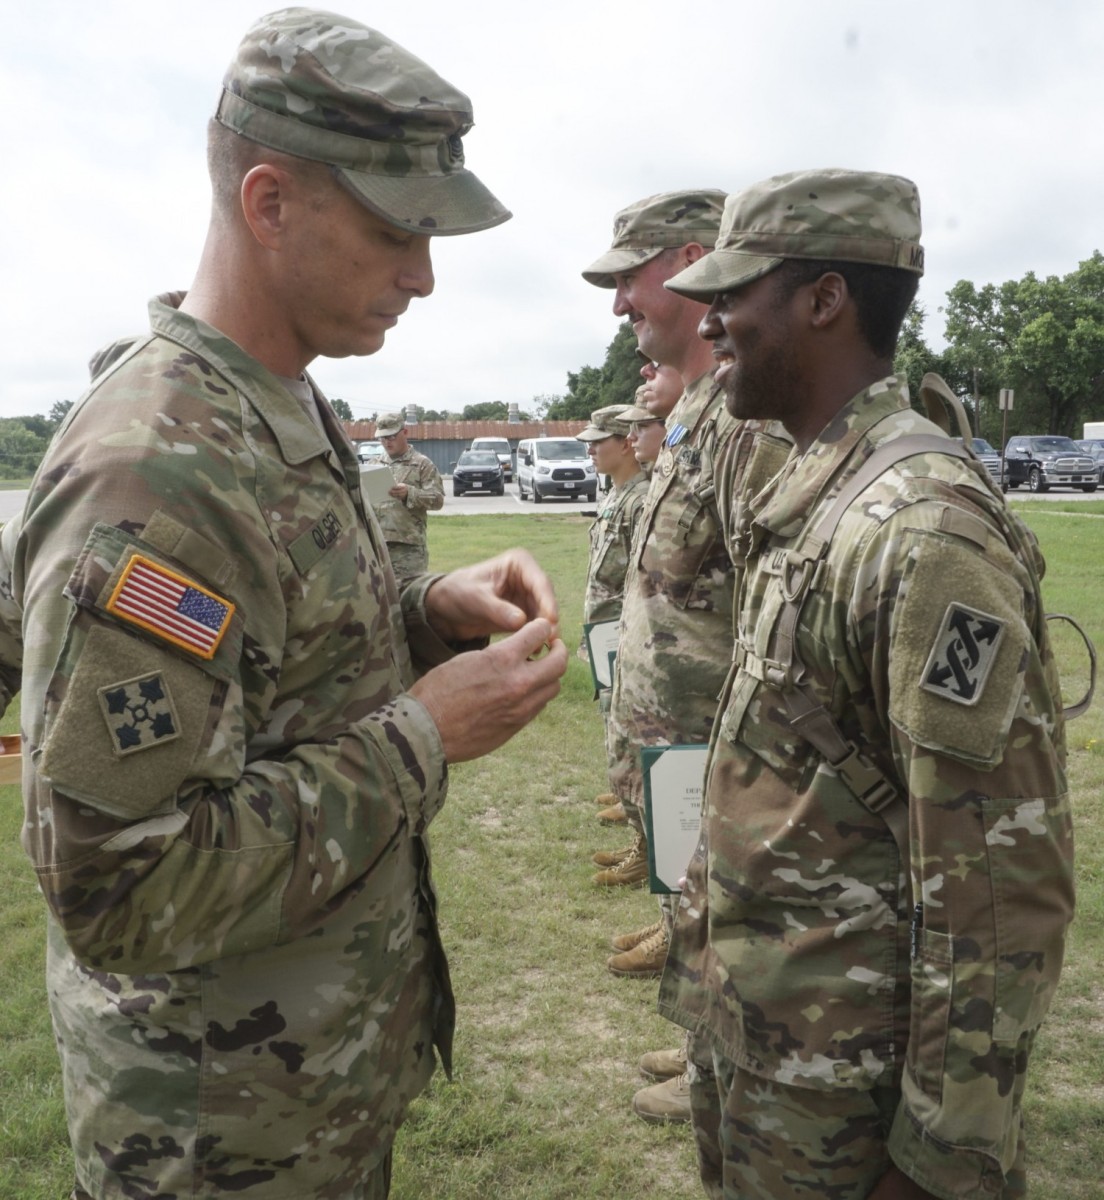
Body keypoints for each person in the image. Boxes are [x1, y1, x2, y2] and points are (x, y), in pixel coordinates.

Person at [12, 10, 567, 1199]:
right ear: (268, 205)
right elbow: (123, 884)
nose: (423, 274)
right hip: (214, 1136)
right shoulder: (155, 466)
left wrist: (426, 609)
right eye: (393, 231)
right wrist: (425, 733)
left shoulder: (279, 401)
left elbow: (270, 663)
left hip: (306, 1096)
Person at [658, 168, 1073, 1199]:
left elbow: (997, 885)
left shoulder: (921, 530)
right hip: (777, 1057)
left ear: (824, 300)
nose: (709, 324)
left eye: (732, 295)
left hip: (852, 1102)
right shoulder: (815, 483)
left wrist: (942, 1153)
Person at [581, 190, 791, 1125]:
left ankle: (725, 1068)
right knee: (697, 916)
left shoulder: (747, 424)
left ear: (691, 261)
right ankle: (710, 1051)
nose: (619, 302)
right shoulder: (699, 413)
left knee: (732, 923)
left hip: (719, 744)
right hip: (677, 743)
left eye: (629, 276)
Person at [373, 412, 445, 588]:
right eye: (382, 438)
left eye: (391, 436)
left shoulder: (422, 464)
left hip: (408, 548)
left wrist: (410, 493)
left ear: (404, 432)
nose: (386, 442)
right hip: (377, 545)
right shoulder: (373, 465)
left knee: (409, 601)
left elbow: (437, 499)